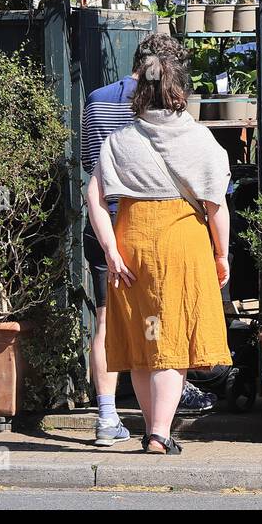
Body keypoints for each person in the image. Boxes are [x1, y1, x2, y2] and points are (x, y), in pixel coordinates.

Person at [85, 48, 231, 455]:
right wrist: (222, 254)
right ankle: (159, 433)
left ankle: (150, 427)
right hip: (181, 243)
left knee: (141, 337)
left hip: (131, 240)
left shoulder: (121, 139)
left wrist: (111, 250)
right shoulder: (200, 139)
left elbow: (93, 196)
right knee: (173, 336)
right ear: (179, 90)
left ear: (141, 92)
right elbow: (216, 207)